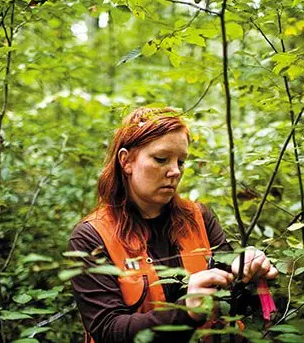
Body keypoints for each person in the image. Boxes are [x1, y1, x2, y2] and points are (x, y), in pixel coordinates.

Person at [69, 107, 278, 343]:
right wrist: (185, 311)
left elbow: (234, 298)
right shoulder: (92, 236)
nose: (175, 171)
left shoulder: (198, 218)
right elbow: (107, 329)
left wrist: (250, 270)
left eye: (181, 161)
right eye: (161, 159)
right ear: (126, 161)